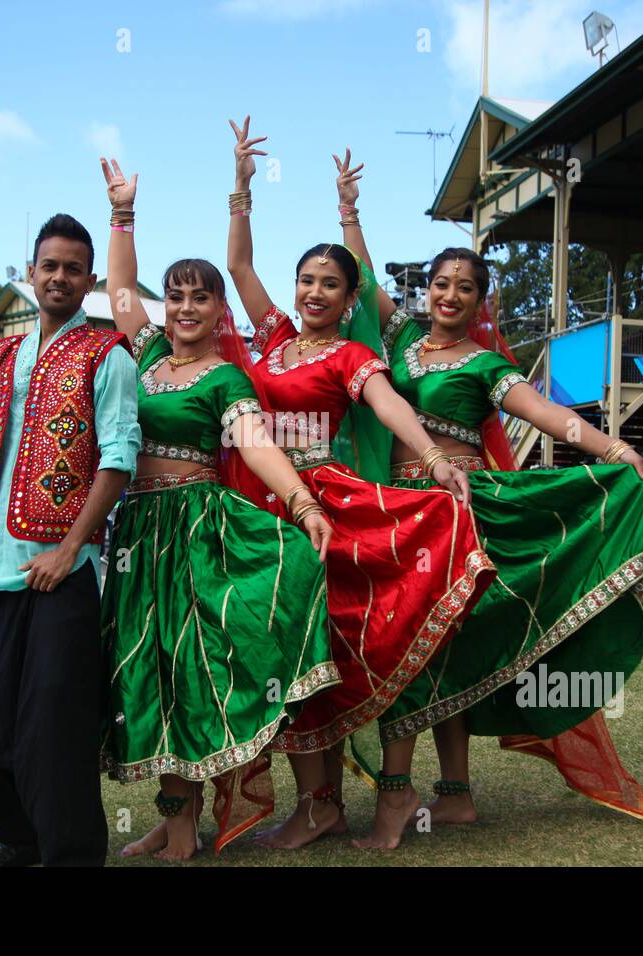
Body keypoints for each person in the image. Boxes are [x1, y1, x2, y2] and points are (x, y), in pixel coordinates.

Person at [335, 149, 643, 847]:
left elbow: (549, 415)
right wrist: (349, 212)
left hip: (454, 513)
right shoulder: (402, 339)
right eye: (440, 284)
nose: (448, 296)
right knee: (430, 649)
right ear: (427, 291)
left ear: (479, 303)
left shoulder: (485, 366)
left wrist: (615, 450)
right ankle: (455, 797)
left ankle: (400, 797)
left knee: (420, 646)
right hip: (398, 511)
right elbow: (362, 281)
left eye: (463, 288)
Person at [226, 117, 496, 850]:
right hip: (263, 504)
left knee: (335, 649)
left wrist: (434, 460)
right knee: (280, 648)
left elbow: (390, 407)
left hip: (324, 504)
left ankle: (371, 797)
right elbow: (239, 268)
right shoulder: (274, 339)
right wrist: (242, 187)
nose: (314, 291)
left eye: (330, 284)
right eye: (306, 280)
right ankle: (317, 804)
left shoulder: (351, 355)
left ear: (351, 299)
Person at [97, 158, 338, 860]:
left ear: (218, 310)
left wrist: (301, 502)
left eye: (200, 298)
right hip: (138, 533)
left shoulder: (226, 376)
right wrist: (122, 214)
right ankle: (174, 817)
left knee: (191, 670)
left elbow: (255, 442)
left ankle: (192, 826)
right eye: (175, 296)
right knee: (143, 670)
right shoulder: (144, 357)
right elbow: (118, 289)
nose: (185, 308)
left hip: (197, 531)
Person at [0, 213, 141, 867]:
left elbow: (118, 459)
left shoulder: (107, 355)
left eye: (73, 269)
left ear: (89, 280)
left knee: (53, 730)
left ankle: (71, 854)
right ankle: (20, 841)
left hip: (62, 573)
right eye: (49, 265)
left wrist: (68, 550)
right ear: (31, 272)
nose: (60, 277)